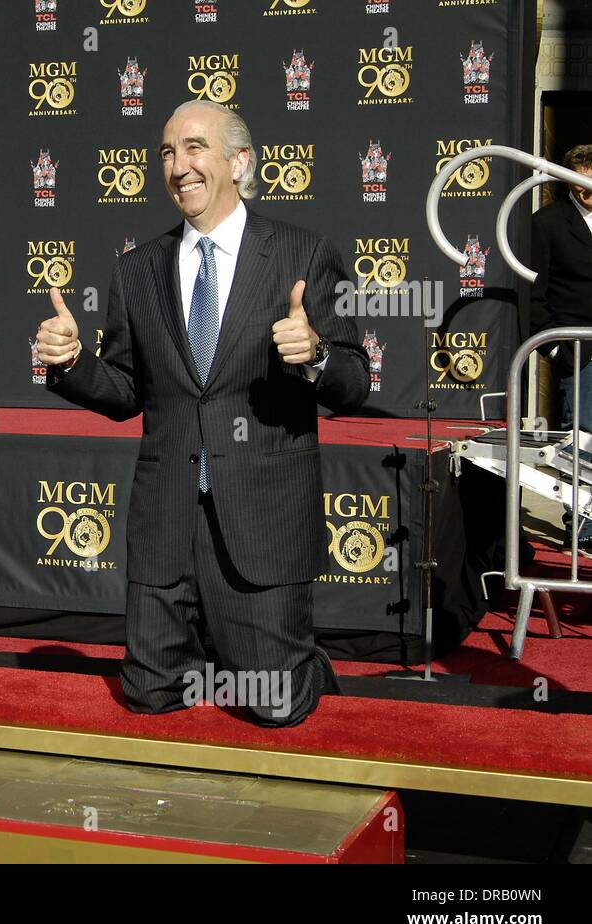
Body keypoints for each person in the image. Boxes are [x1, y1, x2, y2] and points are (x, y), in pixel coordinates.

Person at [36, 100, 370, 726]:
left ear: (239, 161)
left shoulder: (302, 254)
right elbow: (127, 390)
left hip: (262, 520)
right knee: (149, 697)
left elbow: (354, 381)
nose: (178, 166)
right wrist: (72, 361)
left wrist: (316, 354)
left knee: (274, 706)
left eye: (193, 147)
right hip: (168, 520)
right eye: (166, 152)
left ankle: (301, 663)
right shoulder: (136, 270)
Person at [530, 143, 592, 551]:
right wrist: (553, 347)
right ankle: (582, 519)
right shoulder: (547, 223)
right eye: (580, 180)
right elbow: (533, 289)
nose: (588, 188)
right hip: (579, 349)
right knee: (583, 435)